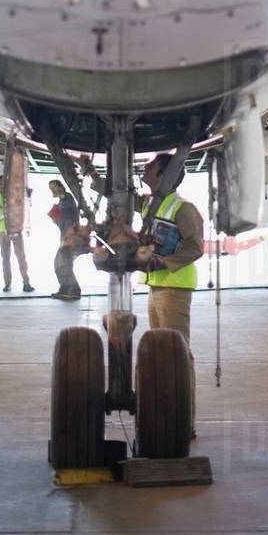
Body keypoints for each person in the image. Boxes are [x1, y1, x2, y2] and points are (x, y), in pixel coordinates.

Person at [79, 152, 203, 434]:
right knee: (163, 351)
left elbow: (195, 246)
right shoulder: (151, 204)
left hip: (175, 285)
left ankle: (186, 422)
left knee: (178, 352)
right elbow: (114, 193)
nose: (144, 168)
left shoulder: (183, 209)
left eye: (150, 166)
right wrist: (88, 171)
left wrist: (164, 262)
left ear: (164, 173)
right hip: (157, 285)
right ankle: (171, 416)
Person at [0, 174, 34, 294]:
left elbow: (25, 209)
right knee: (5, 259)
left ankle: (26, 283)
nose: (4, 185)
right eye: (1, 183)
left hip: (16, 230)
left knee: (21, 257)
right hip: (2, 232)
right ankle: (7, 284)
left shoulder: (16, 195)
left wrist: (27, 227)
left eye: (5, 182)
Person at [48, 179, 87, 300]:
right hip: (66, 235)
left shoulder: (67, 199)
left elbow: (71, 221)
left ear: (60, 187)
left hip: (69, 237)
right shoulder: (62, 201)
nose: (52, 190)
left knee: (64, 263)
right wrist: (57, 221)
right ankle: (65, 288)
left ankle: (73, 290)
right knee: (60, 263)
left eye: (53, 188)